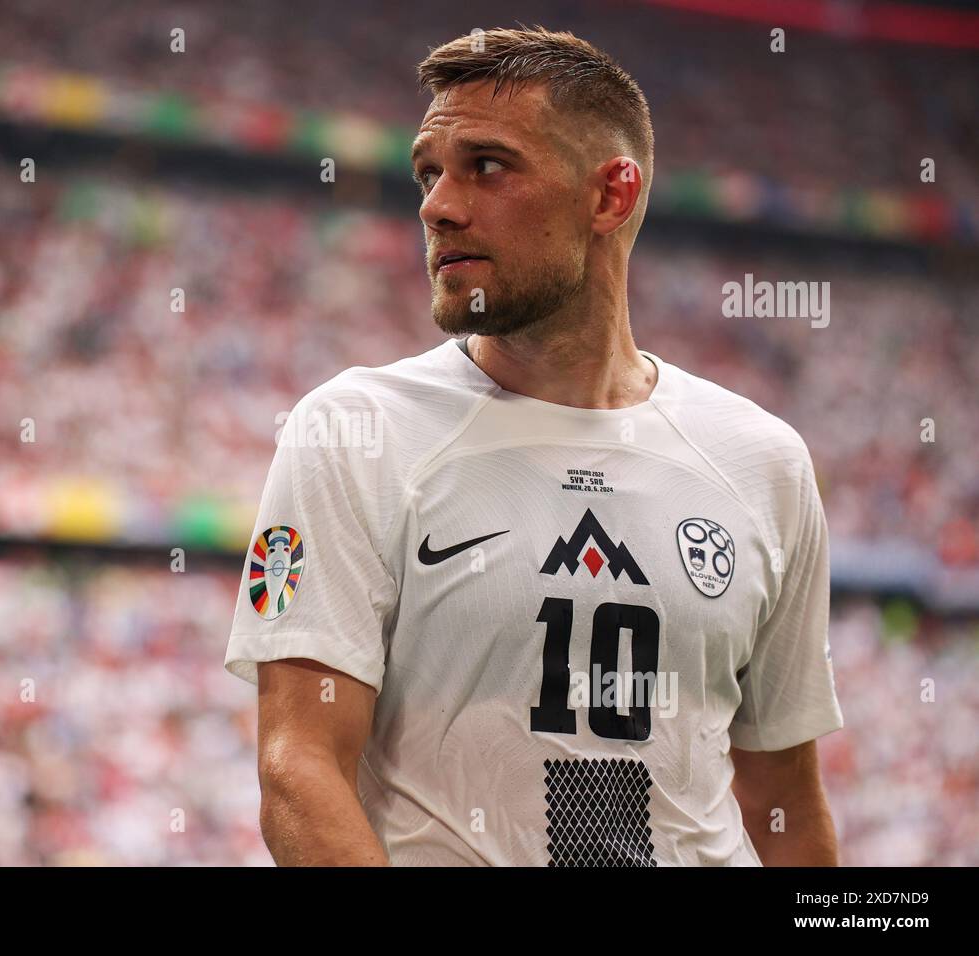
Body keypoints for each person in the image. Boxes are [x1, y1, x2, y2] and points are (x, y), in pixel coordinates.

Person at [225, 26, 843, 866]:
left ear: (610, 196)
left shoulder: (763, 460)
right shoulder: (354, 429)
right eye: (428, 173)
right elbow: (300, 768)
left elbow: (784, 803)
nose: (437, 206)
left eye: (487, 166)